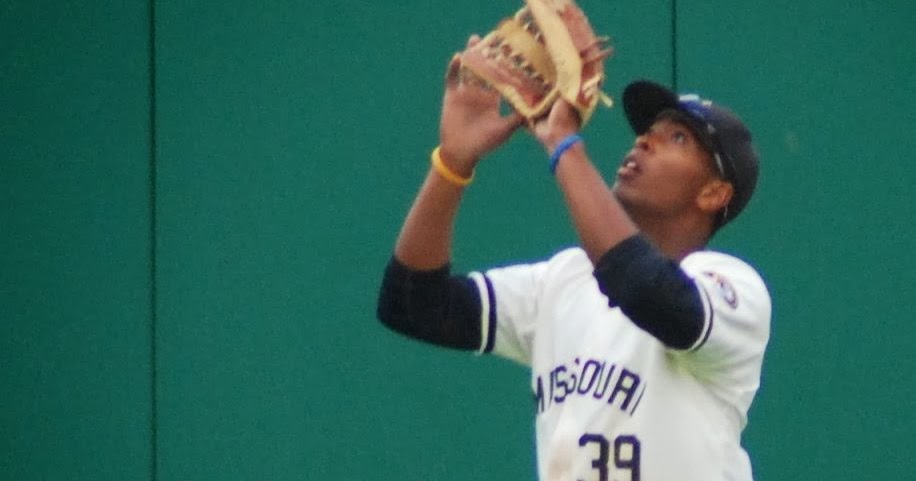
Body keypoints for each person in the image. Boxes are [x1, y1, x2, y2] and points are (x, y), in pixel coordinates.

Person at [377, 36, 771, 481]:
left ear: (713, 192)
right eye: (646, 132)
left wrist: (563, 142)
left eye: (677, 138)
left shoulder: (731, 286)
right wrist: (453, 162)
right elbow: (412, 305)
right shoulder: (563, 280)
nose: (644, 142)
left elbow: (648, 293)